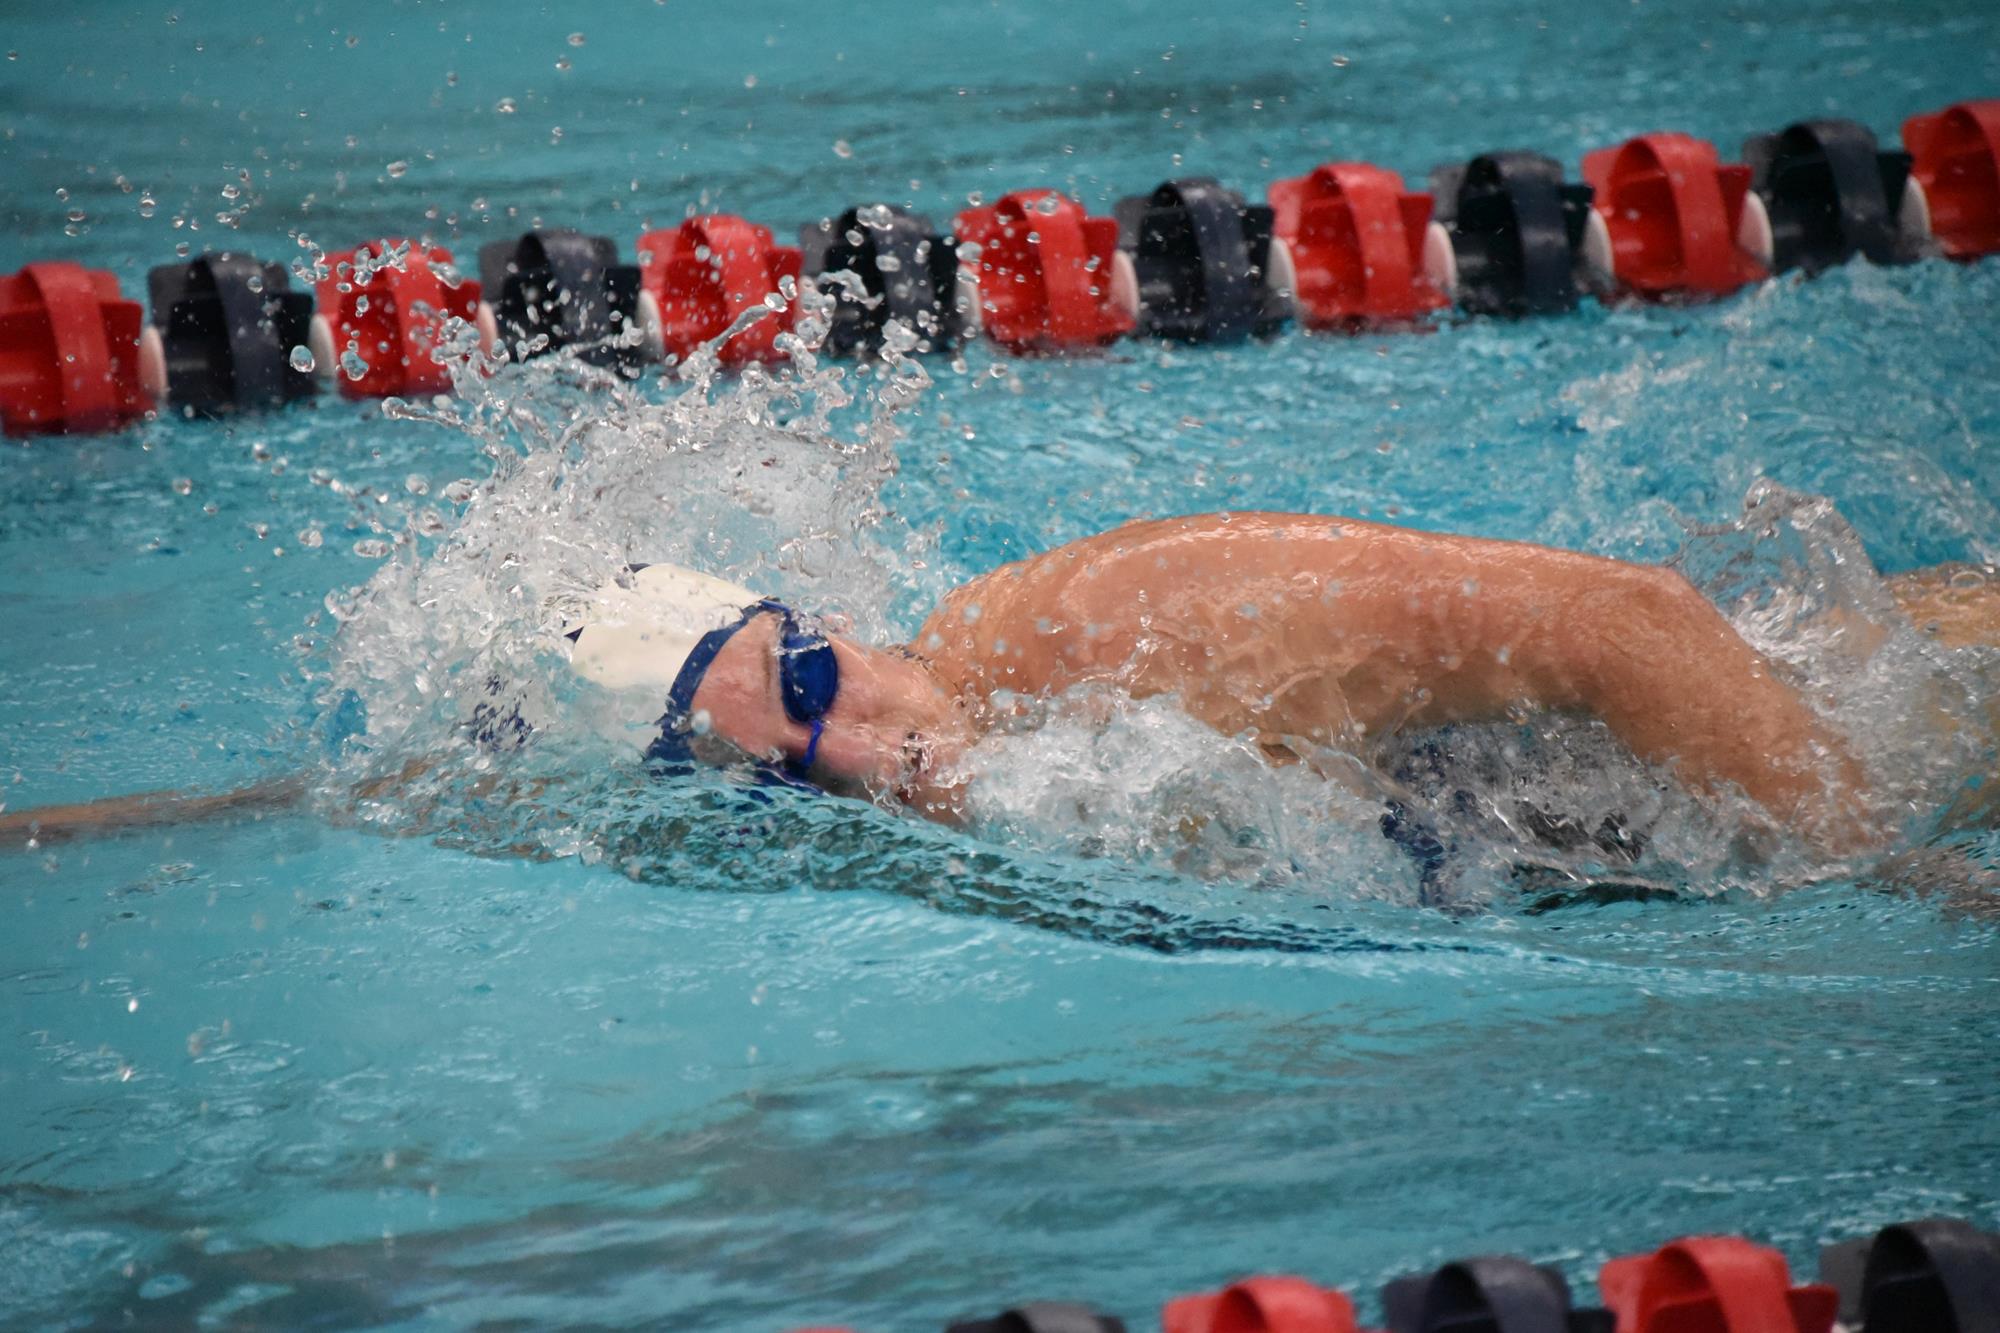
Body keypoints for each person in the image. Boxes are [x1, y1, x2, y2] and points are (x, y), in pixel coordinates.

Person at [5, 511, 1996, 855]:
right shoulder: (989, 785)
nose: (855, 746)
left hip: (1830, 717)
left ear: (830, 613)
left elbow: (1638, 626)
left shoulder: (1142, 628)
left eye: (811, 676)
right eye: (791, 767)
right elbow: (384, 789)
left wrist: (1873, 865)